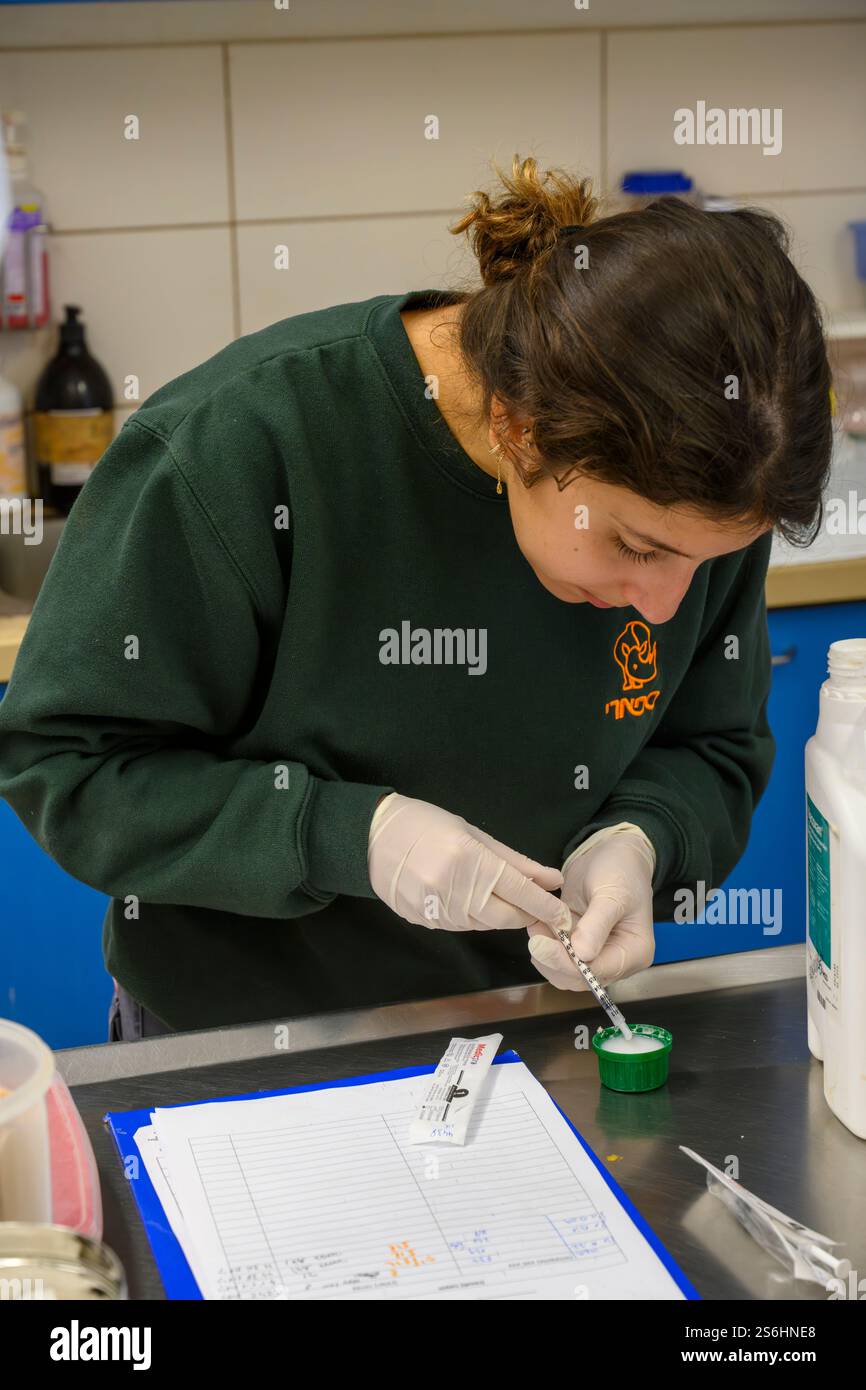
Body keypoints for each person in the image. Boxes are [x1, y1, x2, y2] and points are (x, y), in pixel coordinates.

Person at [0, 156, 831, 1038]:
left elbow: (714, 747)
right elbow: (70, 764)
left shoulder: (708, 492)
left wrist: (643, 839)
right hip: (243, 1048)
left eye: (702, 566)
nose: (663, 607)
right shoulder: (244, 448)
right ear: (521, 425)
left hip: (535, 1034)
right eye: (633, 546)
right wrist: (347, 835)